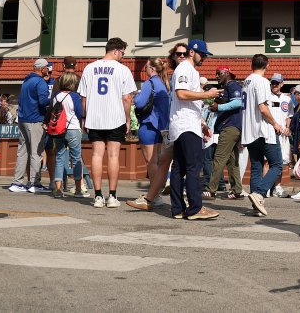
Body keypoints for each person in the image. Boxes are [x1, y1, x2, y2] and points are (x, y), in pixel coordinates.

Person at [78, 38, 137, 209]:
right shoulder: (123, 70)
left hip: (95, 117)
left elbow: (84, 98)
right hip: (115, 117)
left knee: (97, 155)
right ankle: (112, 196)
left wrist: (84, 117)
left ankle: (97, 196)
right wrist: (128, 119)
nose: (123, 57)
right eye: (123, 53)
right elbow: (127, 98)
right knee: (113, 156)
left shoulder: (89, 68)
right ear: (116, 50)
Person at [168, 39, 222, 220]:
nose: (205, 58)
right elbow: (181, 93)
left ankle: (177, 209)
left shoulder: (187, 70)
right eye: (203, 54)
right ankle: (195, 208)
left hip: (184, 123)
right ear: (192, 52)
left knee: (179, 167)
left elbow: (185, 98)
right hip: (185, 125)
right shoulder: (185, 69)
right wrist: (207, 94)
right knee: (193, 166)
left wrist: (202, 123)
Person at [127, 53, 177, 211]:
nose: (145, 70)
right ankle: (156, 195)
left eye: (147, 67)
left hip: (148, 125)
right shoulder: (164, 84)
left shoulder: (150, 83)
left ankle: (155, 196)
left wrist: (137, 96)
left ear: (152, 68)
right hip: (161, 127)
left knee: (151, 162)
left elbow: (140, 103)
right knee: (157, 161)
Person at [242, 54, 289, 216]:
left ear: (252, 65)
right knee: (277, 164)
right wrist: (275, 123)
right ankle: (260, 194)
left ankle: (257, 205)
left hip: (249, 130)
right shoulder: (261, 81)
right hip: (263, 130)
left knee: (256, 166)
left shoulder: (246, 81)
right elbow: (262, 108)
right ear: (267, 65)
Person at [8, 59, 52, 193]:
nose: (48, 69)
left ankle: (17, 182)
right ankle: (34, 182)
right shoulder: (40, 82)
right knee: (36, 152)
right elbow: (43, 101)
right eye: (46, 67)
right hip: (35, 119)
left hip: (22, 119)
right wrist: (54, 100)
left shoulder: (26, 81)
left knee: (22, 151)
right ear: (42, 69)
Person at [206, 67, 245, 199]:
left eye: (219, 73)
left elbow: (238, 102)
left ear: (227, 73)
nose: (216, 76)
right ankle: (237, 191)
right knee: (232, 160)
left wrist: (219, 107)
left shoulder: (232, 85)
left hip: (230, 127)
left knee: (219, 157)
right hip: (232, 127)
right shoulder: (226, 88)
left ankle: (211, 189)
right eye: (216, 73)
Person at [49, 72, 83, 197]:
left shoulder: (56, 96)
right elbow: (79, 113)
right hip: (72, 128)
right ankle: (78, 189)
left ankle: (58, 189)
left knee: (59, 157)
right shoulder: (74, 96)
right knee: (76, 159)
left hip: (59, 130)